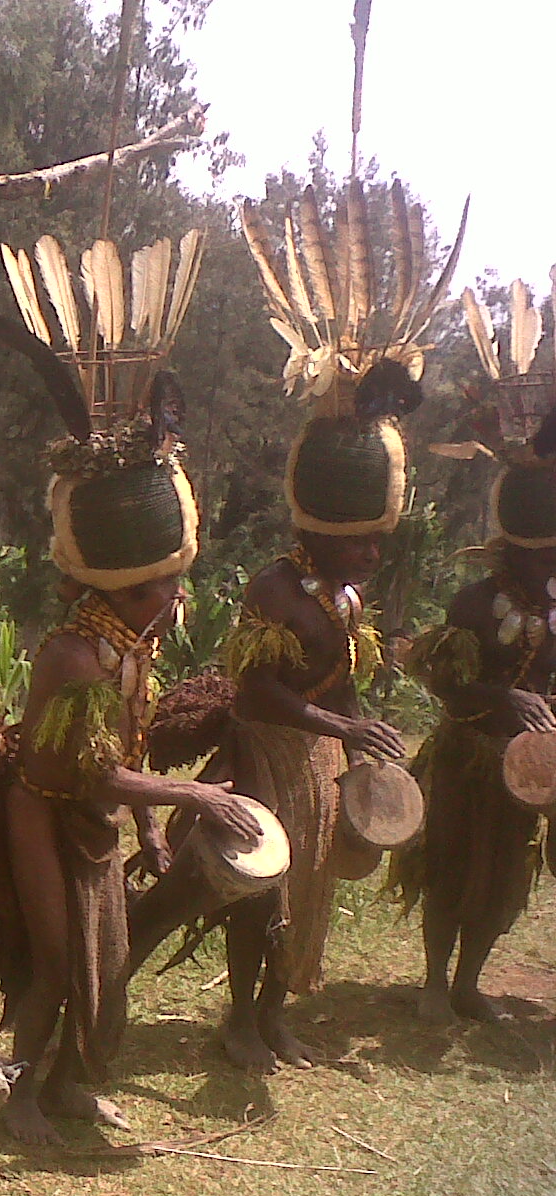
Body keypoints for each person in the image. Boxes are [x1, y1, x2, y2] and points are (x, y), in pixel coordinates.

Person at [0, 230, 258, 1144]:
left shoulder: (135, 641)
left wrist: (155, 829)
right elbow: (87, 773)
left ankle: (72, 1085)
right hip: (44, 815)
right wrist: (188, 793)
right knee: (58, 963)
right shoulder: (74, 654)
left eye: (173, 579)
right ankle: (23, 1100)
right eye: (161, 585)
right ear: (117, 582)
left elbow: (129, 747)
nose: (177, 597)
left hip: (96, 820)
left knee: (107, 964)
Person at [215, 181, 456, 1070]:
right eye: (353, 544)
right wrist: (335, 727)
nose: (366, 557)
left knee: (310, 887)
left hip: (318, 760)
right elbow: (258, 690)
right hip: (268, 757)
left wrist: (360, 746)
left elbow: (343, 681)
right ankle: (239, 1016)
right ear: (317, 525)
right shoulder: (275, 590)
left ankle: (275, 1011)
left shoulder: (346, 595)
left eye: (372, 543)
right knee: (263, 884)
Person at [390, 277, 556, 1023]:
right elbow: (441, 684)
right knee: (452, 870)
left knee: (502, 882)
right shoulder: (473, 602)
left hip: (529, 769)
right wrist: (504, 698)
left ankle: (468, 984)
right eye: (536, 557)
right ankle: (432, 980)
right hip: (465, 758)